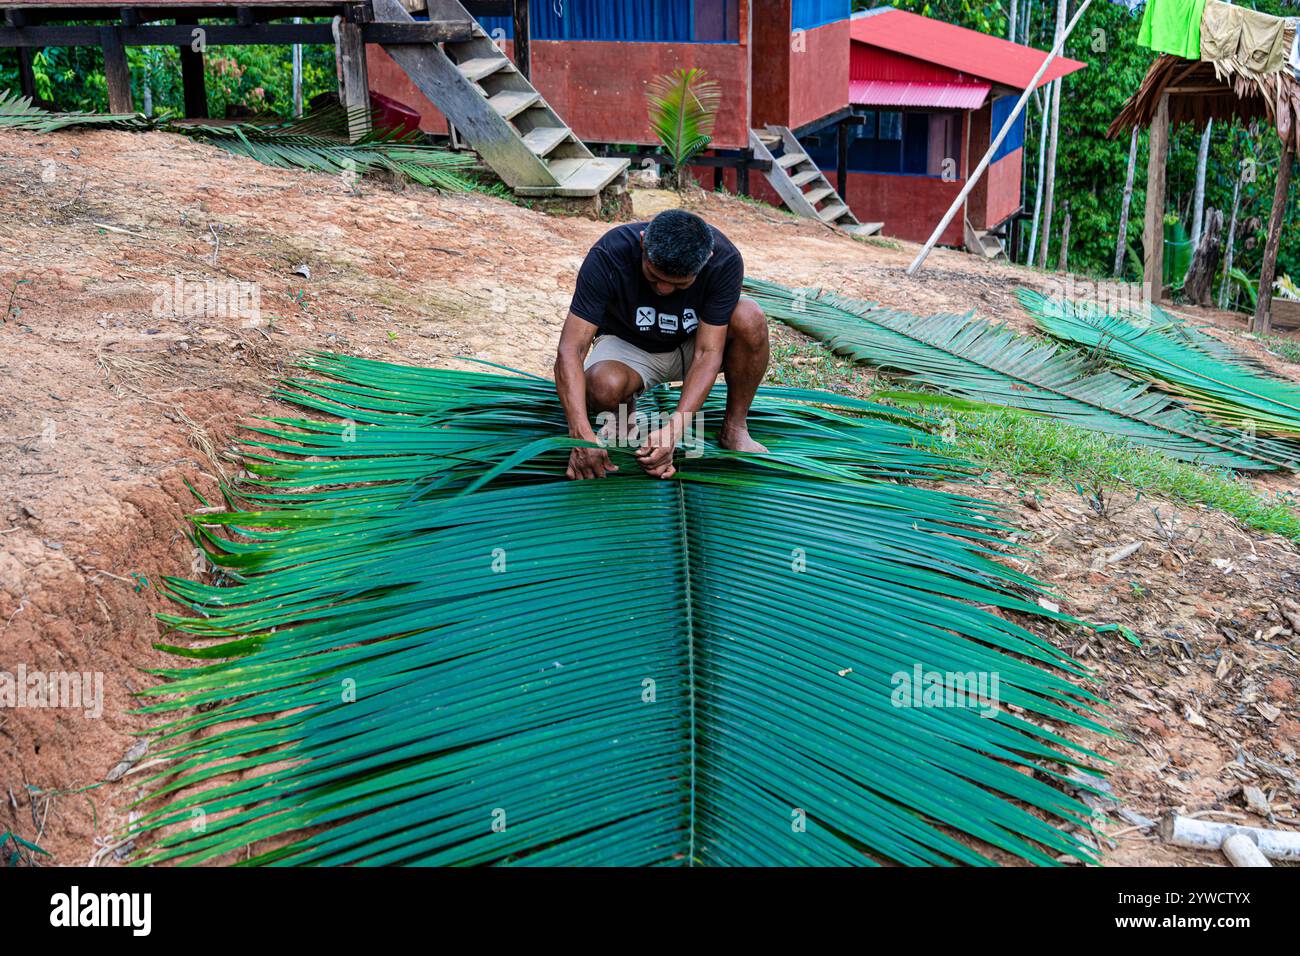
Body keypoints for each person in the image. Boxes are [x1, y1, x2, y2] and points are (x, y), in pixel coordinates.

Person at [553, 209, 770, 480]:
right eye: (654, 277)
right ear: (643, 242)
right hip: (629, 344)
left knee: (750, 317)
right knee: (601, 386)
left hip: (694, 343)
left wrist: (673, 431)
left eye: (679, 285)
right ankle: (624, 409)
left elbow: (708, 352)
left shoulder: (724, 260)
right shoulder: (609, 254)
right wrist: (581, 436)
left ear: (706, 261)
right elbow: (571, 348)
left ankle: (735, 427)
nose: (664, 290)